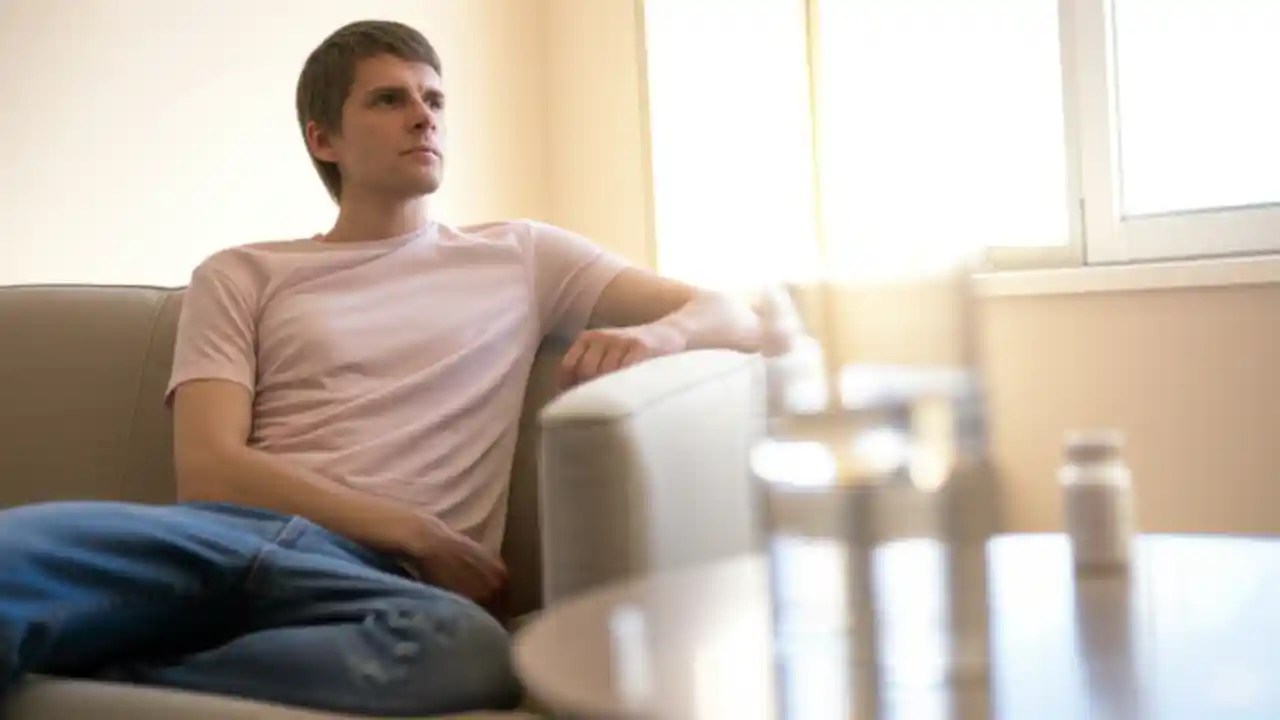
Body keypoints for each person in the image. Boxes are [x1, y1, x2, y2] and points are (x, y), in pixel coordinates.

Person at [0, 18, 761, 717]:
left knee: (464, 652)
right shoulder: (241, 273)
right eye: (389, 99)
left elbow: (745, 317)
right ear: (324, 138)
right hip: (229, 537)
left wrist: (662, 337)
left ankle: (112, 682)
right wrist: (414, 529)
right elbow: (210, 468)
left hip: (382, 589)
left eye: (434, 99)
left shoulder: (522, 256)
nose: (424, 115)